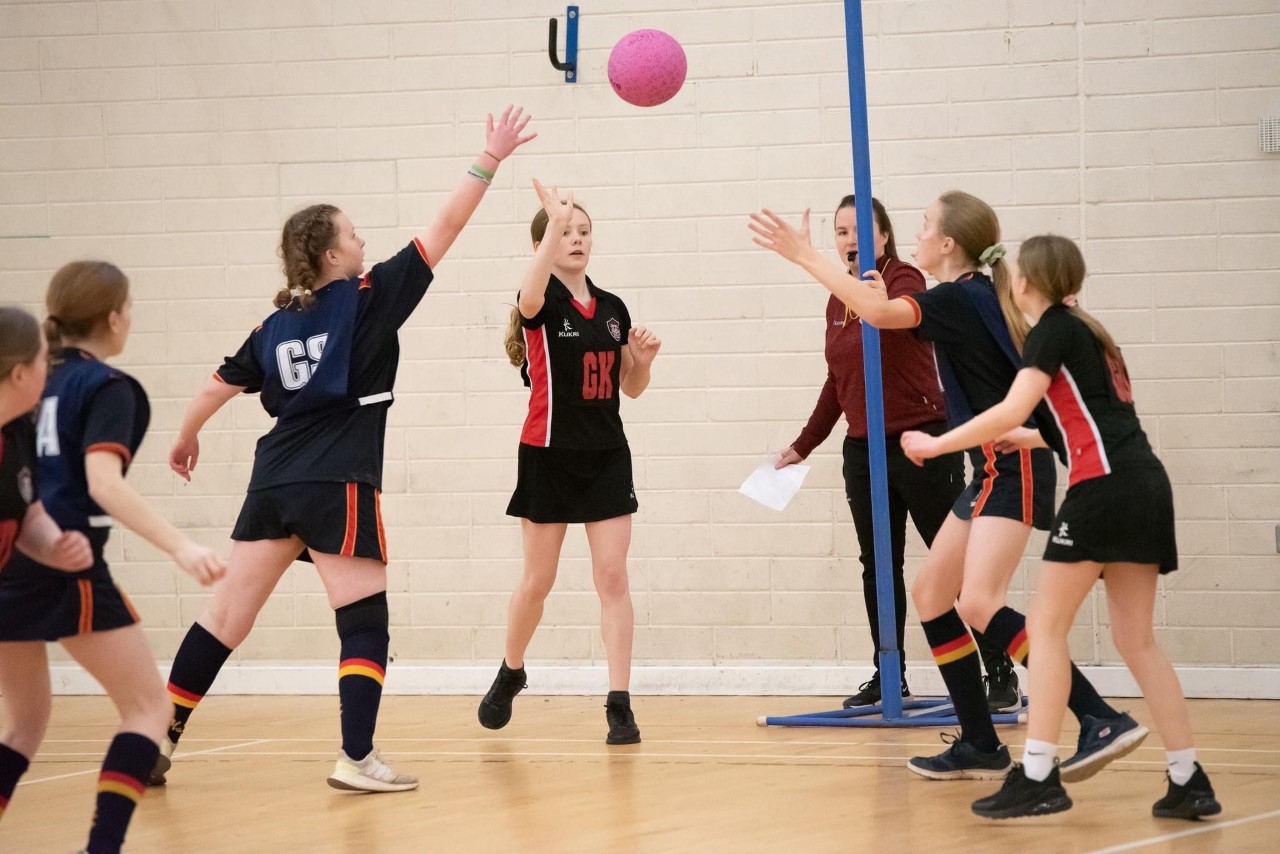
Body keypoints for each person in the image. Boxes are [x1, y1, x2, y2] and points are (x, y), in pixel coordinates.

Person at [151, 106, 536, 792]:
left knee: (225, 618)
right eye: (353, 234)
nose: (363, 241)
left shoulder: (274, 324)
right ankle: (357, 758)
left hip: (272, 481)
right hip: (337, 481)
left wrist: (185, 438)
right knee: (363, 623)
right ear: (333, 255)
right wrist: (491, 158)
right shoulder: (369, 297)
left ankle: (158, 736)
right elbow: (445, 227)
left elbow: (215, 385)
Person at [750, 192, 1145, 782]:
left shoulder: (961, 296)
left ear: (948, 243)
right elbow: (871, 318)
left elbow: (880, 315)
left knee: (978, 602)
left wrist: (804, 254)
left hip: (1012, 463)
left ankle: (1098, 716)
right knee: (933, 594)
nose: (918, 233)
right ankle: (981, 743)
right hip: (991, 467)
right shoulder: (967, 295)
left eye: (925, 225)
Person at [898, 234, 1221, 820]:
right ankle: (1188, 778)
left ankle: (1039, 775)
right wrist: (1024, 437)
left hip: (1102, 491)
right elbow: (1084, 421)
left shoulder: (1050, 331)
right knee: (1137, 640)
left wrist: (938, 444)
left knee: (1044, 630)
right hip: (1146, 485)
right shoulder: (1094, 334)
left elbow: (1011, 407)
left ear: (1026, 282)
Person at [0, 276, 225, 854]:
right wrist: (181, 546)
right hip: (65, 567)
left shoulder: (29, 396)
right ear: (115, 318)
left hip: (19, 558)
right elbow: (102, 484)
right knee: (149, 708)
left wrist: (46, 541)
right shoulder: (106, 386)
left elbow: (28, 504)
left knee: (23, 726)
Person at [775, 195, 1019, 710]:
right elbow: (838, 380)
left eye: (861, 229)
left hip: (920, 442)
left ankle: (999, 672)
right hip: (864, 451)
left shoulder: (904, 278)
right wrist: (803, 444)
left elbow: (890, 315)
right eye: (841, 232)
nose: (851, 240)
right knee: (878, 565)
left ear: (883, 236)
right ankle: (889, 673)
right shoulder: (838, 299)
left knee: (948, 565)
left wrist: (814, 262)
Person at [479, 181, 661, 745]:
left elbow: (631, 388)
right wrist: (552, 222)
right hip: (548, 455)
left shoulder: (612, 309)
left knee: (612, 576)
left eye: (583, 231)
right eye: (565, 232)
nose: (576, 239)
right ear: (544, 244)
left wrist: (643, 362)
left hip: (607, 456)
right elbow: (528, 293)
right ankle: (512, 669)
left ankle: (619, 704)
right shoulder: (540, 303)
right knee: (539, 580)